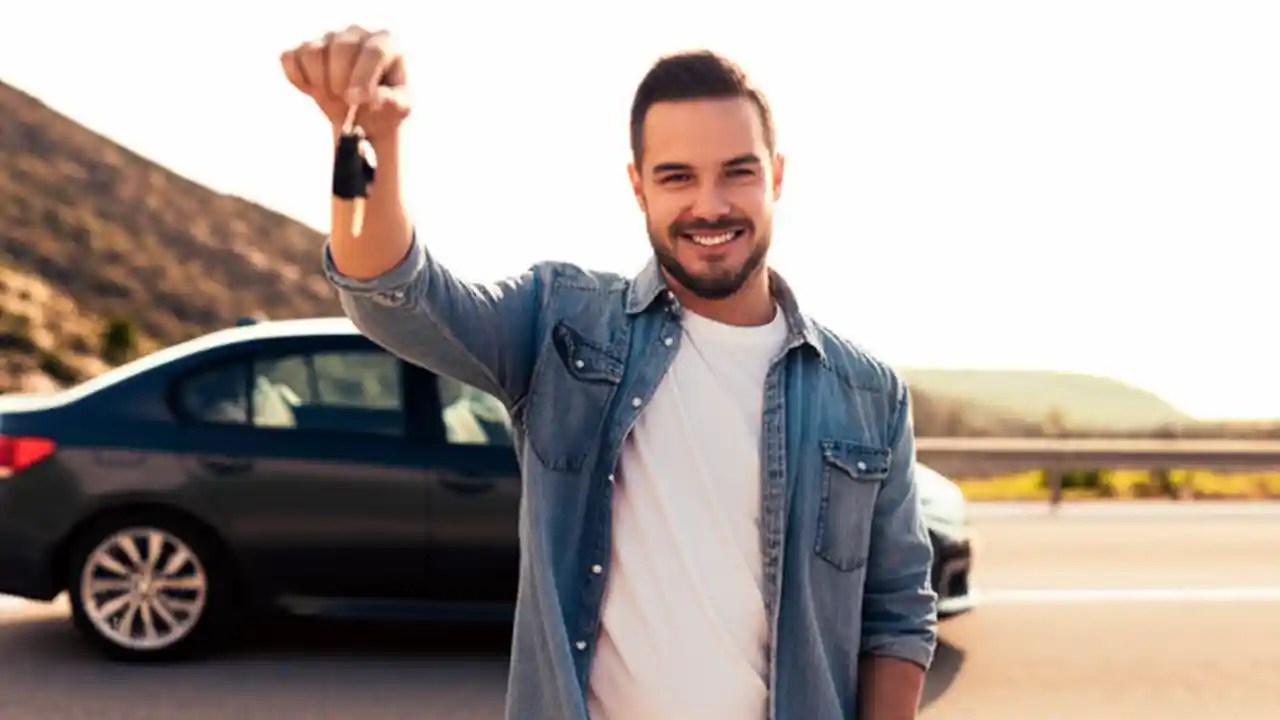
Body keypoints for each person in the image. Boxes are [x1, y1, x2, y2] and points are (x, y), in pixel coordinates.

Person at [282, 25, 937, 720]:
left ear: (776, 175)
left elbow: (896, 612)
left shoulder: (867, 396)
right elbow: (395, 298)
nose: (709, 206)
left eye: (737, 173)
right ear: (637, 186)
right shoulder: (561, 327)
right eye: (677, 176)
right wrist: (368, 141)